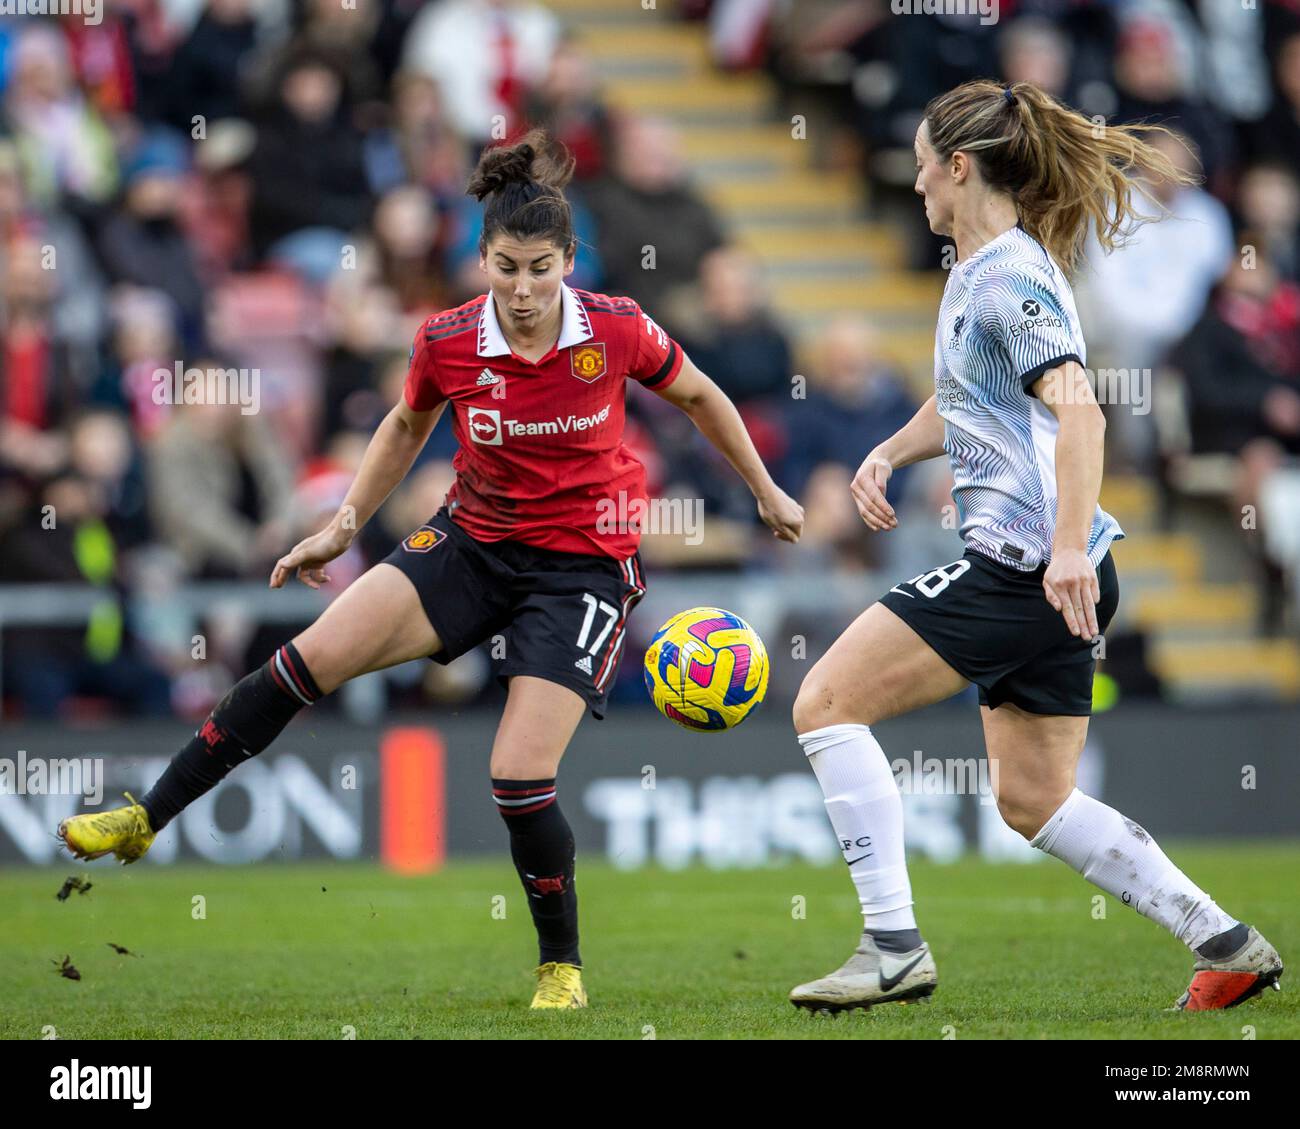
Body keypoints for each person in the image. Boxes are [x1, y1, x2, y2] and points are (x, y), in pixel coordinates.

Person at [56, 132, 804, 1010]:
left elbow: (702, 396)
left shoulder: (616, 327)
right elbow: (406, 427)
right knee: (304, 662)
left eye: (539, 269)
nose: (522, 291)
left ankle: (560, 965)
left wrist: (764, 489)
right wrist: (344, 525)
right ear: (480, 258)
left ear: (569, 260)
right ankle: (147, 815)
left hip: (583, 569)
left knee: (518, 778)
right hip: (471, 545)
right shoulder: (449, 340)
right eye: (505, 268)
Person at [787, 80, 1283, 1015]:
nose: (918, 178)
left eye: (926, 160)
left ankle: (892, 944)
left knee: (824, 702)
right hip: (1067, 568)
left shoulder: (1008, 274)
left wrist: (1058, 551)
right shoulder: (984, 268)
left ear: (960, 166)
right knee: (1035, 799)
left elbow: (1080, 409)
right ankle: (1225, 940)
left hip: (1024, 568)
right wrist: (890, 451)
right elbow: (975, 395)